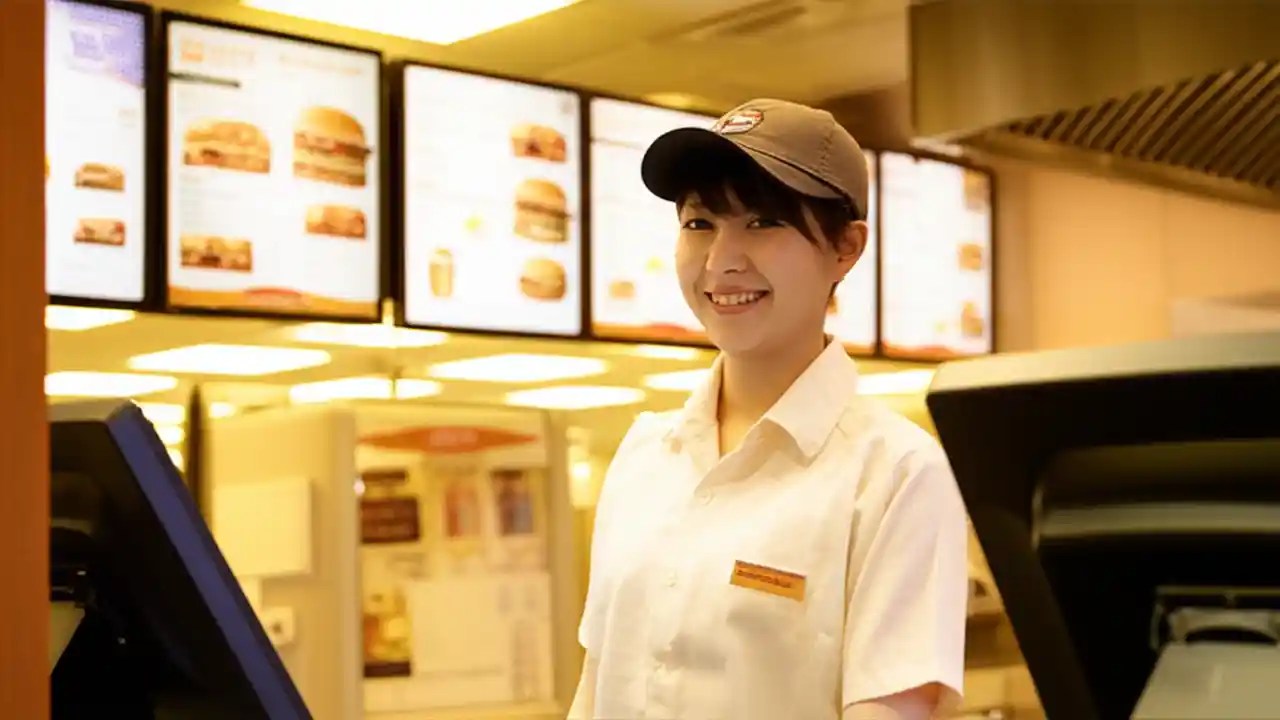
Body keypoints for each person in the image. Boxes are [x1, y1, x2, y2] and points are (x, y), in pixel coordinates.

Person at [568, 98, 969, 720]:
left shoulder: (895, 473)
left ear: (845, 247)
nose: (722, 259)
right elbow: (598, 684)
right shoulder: (645, 455)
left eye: (761, 223)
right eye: (700, 223)